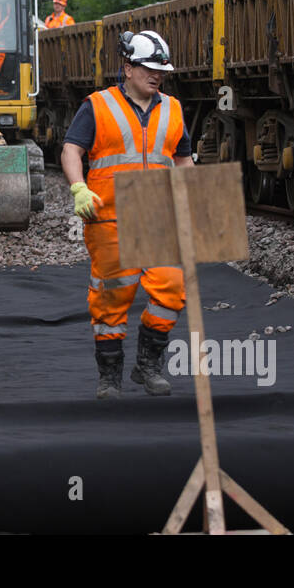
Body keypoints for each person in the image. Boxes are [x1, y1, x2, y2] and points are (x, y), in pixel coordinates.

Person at [59, 30, 194, 399]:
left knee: (172, 290)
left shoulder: (174, 109)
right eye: (149, 68)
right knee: (111, 297)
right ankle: (109, 377)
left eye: (161, 71)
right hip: (110, 218)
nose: (157, 76)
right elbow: (72, 149)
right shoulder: (97, 105)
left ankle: (147, 365)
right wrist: (78, 187)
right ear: (128, 68)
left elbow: (182, 159)